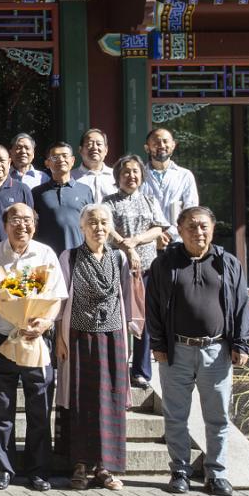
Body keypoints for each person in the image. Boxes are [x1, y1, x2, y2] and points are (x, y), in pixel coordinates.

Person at [147, 206, 249, 496]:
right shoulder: (165, 264)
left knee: (217, 417)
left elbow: (242, 305)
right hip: (176, 350)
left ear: (212, 229)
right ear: (179, 231)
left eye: (204, 226)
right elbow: (153, 306)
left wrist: (241, 343)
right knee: (175, 416)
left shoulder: (227, 262)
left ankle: (216, 473)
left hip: (216, 351)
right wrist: (157, 344)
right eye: (191, 226)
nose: (198, 232)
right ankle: (179, 471)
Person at [0, 203, 68, 491]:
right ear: (5, 225)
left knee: (39, 410)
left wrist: (44, 324)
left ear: (35, 224)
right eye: (15, 219)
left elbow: (56, 299)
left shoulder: (45, 254)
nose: (21, 225)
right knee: (0, 411)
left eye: (27, 220)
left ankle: (38, 470)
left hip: (36, 340)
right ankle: (3, 468)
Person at [56, 204, 139, 492]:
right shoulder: (69, 257)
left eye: (104, 223)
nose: (98, 228)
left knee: (110, 401)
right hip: (78, 334)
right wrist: (59, 338)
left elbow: (127, 299)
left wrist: (130, 337)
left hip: (112, 335)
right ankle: (79, 464)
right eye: (92, 222)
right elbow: (60, 300)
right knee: (80, 400)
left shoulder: (119, 259)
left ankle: (105, 467)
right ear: (82, 227)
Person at [104, 154, 169, 389]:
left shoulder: (150, 200)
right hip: (118, 267)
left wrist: (136, 240)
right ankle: (118, 368)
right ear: (117, 176)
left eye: (135, 171)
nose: (131, 176)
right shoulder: (108, 201)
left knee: (145, 319)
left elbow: (158, 228)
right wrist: (126, 246)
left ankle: (140, 371)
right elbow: (106, 228)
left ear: (141, 175)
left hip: (147, 268)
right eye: (125, 172)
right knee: (118, 318)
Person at [32, 142, 94, 256]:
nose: (61, 159)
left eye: (65, 156)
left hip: (79, 257)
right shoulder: (37, 193)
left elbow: (92, 224)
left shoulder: (85, 191)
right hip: (47, 258)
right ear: (47, 163)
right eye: (55, 157)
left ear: (73, 161)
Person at [141, 128, 199, 246]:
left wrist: (169, 234)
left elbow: (191, 209)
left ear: (173, 145)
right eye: (156, 142)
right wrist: (153, 236)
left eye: (165, 141)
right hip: (145, 243)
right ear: (147, 148)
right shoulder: (139, 175)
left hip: (178, 241)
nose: (161, 145)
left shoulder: (185, 175)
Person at [75, 129, 117, 204]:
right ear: (80, 150)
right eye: (89, 144)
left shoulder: (116, 175)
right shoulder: (71, 178)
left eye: (99, 144)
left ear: (106, 150)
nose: (94, 147)